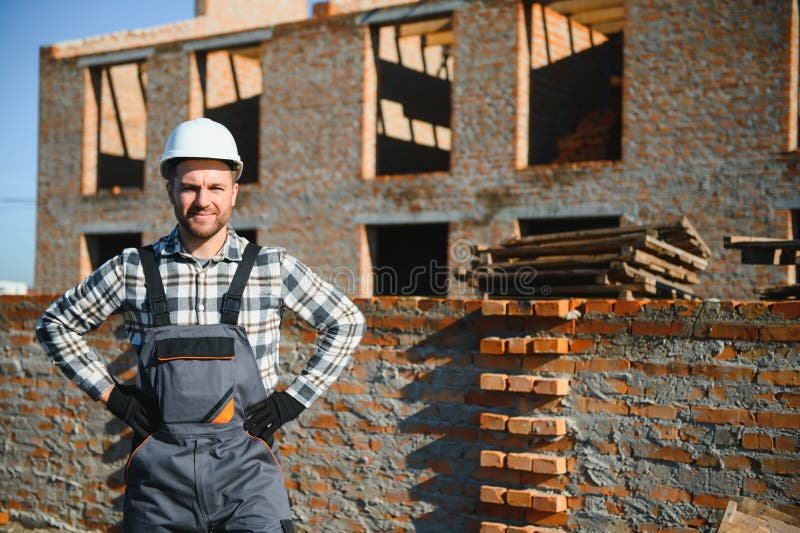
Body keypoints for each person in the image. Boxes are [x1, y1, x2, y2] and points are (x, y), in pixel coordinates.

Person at [35, 118, 366, 532]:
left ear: (234, 192)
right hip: (160, 486)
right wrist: (111, 396)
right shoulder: (133, 269)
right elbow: (55, 324)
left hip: (247, 482)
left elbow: (347, 321)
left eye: (215, 187)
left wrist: (293, 400)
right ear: (170, 189)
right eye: (190, 186)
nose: (202, 200)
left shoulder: (271, 267)